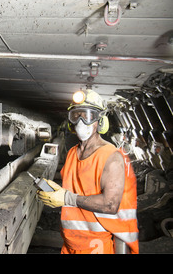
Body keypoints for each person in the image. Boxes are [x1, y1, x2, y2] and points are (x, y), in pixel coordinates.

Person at [37, 89, 139, 254]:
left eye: (88, 116)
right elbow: (77, 192)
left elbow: (110, 205)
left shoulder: (111, 157)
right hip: (70, 244)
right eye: (76, 116)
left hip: (96, 247)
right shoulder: (72, 153)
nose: (81, 122)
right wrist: (56, 191)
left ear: (100, 121)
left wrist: (65, 197)